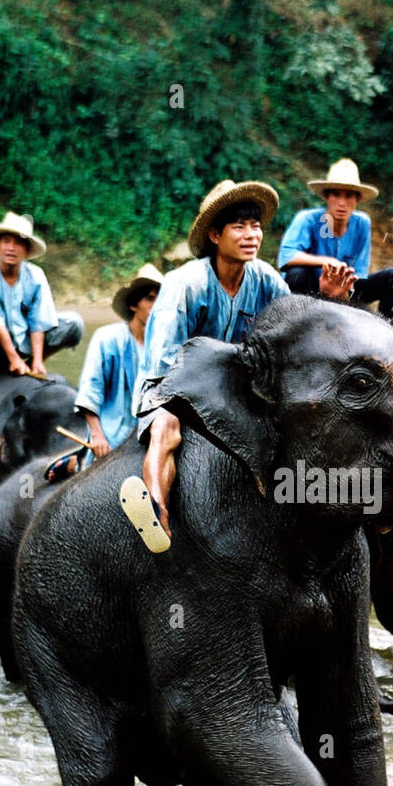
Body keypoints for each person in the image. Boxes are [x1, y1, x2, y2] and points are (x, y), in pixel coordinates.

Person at [119, 178, 354, 552]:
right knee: (166, 427)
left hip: (236, 393)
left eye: (256, 226)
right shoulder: (185, 285)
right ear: (215, 234)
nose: (251, 235)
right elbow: (164, 366)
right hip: (175, 387)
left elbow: (296, 329)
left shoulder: (264, 279)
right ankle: (154, 509)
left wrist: (327, 299)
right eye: (239, 226)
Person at [0, 211, 83, 395]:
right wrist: (13, 359)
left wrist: (38, 360)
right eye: (6, 241)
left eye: (18, 243)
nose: (11, 248)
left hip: (23, 340)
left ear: (26, 250)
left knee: (74, 323)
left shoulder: (36, 276)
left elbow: (39, 321)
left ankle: (31, 364)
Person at [277, 158, 393, 328]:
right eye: (336, 194)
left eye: (348, 196)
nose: (342, 203)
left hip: (345, 290)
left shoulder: (362, 224)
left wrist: (344, 290)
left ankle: (388, 334)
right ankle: (296, 328)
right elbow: (286, 257)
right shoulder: (308, 219)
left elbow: (359, 274)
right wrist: (328, 262)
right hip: (312, 290)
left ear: (358, 199)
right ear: (326, 196)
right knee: (297, 274)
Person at [74, 264, 163, 457]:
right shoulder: (107, 339)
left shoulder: (164, 347)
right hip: (111, 434)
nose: (156, 306)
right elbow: (91, 388)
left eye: (160, 299)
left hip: (149, 436)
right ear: (133, 305)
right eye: (150, 299)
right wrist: (97, 436)